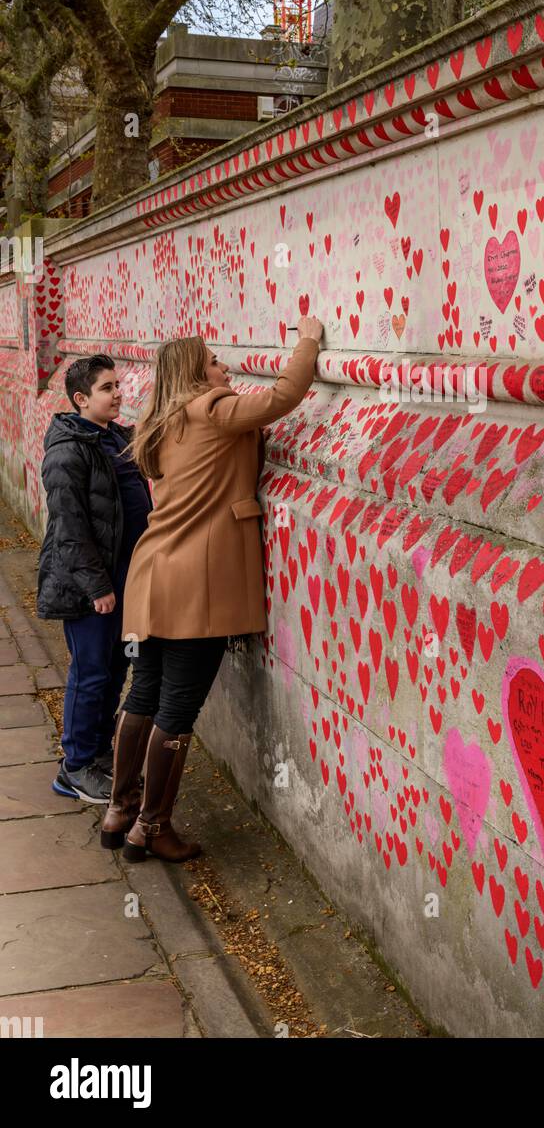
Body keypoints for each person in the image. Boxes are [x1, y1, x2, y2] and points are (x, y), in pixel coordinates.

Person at [100, 315, 322, 863]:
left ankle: (119, 810)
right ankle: (151, 829)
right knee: (178, 704)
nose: (225, 367)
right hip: (194, 585)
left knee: (144, 693)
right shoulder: (212, 410)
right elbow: (282, 397)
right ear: (196, 374)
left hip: (151, 574)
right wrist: (309, 339)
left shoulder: (160, 420)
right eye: (215, 362)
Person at [37, 355, 154, 803]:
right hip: (91, 587)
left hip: (127, 578)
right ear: (81, 399)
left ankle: (98, 754)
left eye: (118, 385)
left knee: (116, 667)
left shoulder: (116, 438)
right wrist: (97, 587)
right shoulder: (68, 450)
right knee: (89, 674)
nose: (118, 393)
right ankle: (75, 766)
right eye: (107, 388)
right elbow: (69, 527)